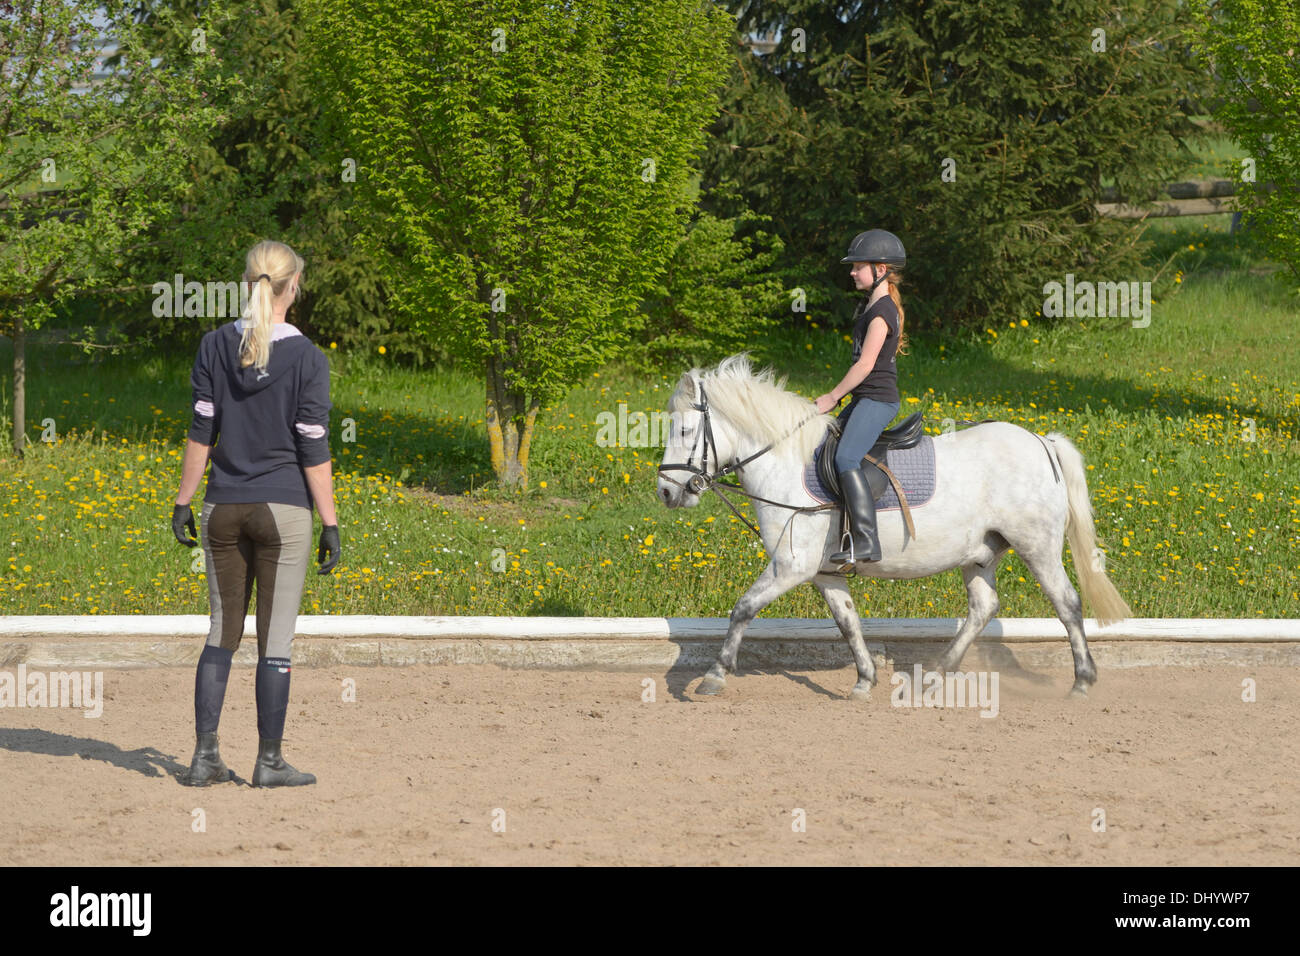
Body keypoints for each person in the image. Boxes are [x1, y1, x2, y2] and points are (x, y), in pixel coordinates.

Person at [171, 239, 340, 787]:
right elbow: (313, 448)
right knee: (276, 641)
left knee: (222, 632)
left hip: (222, 505)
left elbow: (202, 431)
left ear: (247, 284)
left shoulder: (214, 345)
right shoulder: (309, 359)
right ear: (293, 288)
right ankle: (268, 762)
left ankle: (204, 757)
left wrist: (182, 500)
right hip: (283, 510)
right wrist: (331, 521)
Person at [814, 229, 909, 565]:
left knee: (846, 458)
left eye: (858, 266)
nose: (852, 272)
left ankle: (867, 541)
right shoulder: (871, 304)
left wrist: (832, 396)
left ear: (879, 269)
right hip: (863, 399)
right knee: (822, 446)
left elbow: (866, 365)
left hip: (878, 401)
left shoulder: (882, 311)